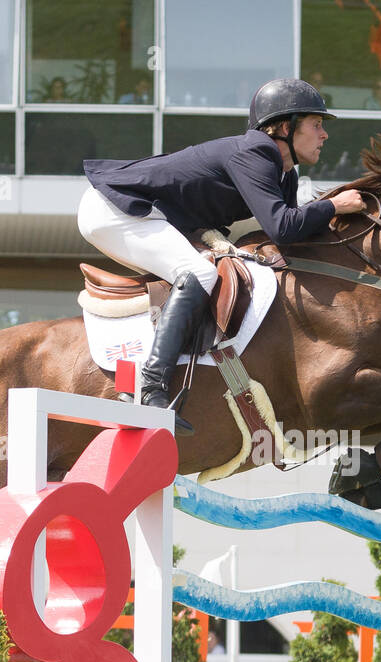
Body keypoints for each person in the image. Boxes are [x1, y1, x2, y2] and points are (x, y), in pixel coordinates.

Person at [78, 78, 366, 435]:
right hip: (118, 209)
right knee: (198, 274)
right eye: (316, 125)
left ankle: (136, 373)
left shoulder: (284, 173)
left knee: (195, 278)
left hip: (150, 215)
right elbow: (283, 227)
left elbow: (292, 238)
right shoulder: (255, 153)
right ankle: (150, 388)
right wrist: (333, 205)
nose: (324, 135)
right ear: (284, 127)